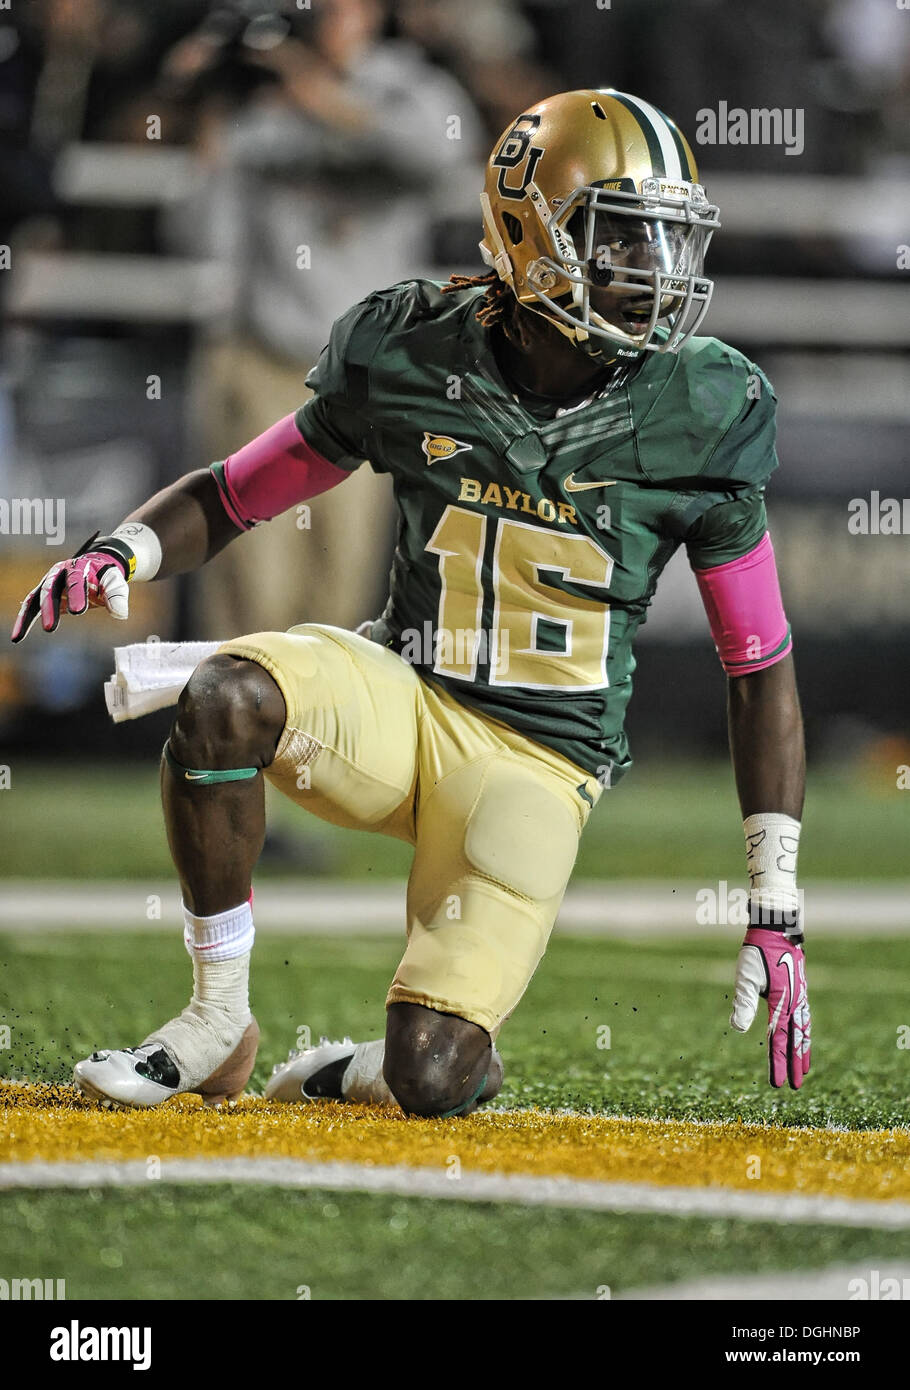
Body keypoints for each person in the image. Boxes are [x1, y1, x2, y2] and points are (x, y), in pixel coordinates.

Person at [12, 90, 810, 1116]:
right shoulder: (418, 346)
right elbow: (238, 489)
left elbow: (759, 662)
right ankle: (217, 1017)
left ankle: (368, 1065)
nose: (652, 273)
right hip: (401, 694)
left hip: (538, 759)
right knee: (223, 696)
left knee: (432, 1076)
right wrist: (126, 544)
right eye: (620, 240)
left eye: (666, 240)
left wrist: (775, 903)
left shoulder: (704, 404)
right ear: (531, 231)